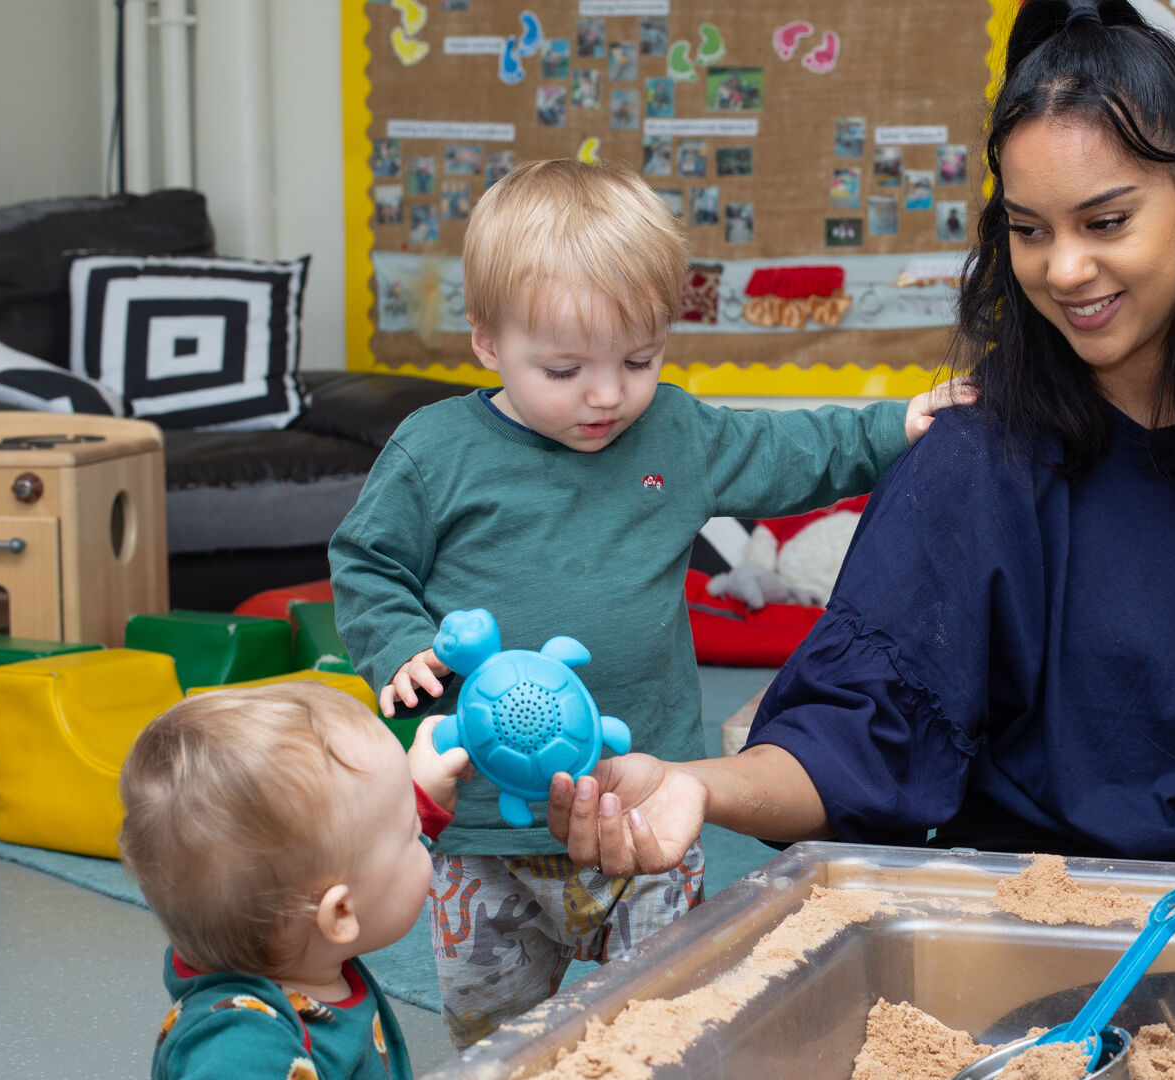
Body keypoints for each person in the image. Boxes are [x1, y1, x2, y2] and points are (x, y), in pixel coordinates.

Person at [543, 0, 1175, 881]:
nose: (1064, 270)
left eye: (1106, 222)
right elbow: (860, 734)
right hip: (1028, 906)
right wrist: (695, 786)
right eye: (1028, 231)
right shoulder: (975, 456)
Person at [328, 158, 966, 1047]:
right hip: (485, 830)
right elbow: (366, 559)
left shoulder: (671, 430)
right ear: (487, 343)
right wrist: (397, 643)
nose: (606, 394)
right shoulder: (434, 451)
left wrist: (894, 427)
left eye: (639, 358)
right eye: (563, 368)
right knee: (498, 1036)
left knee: (672, 1013)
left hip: (646, 803)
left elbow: (790, 451)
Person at [120, 684, 470, 1080]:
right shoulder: (242, 1051)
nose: (421, 835)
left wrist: (420, 798)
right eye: (411, 832)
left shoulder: (294, 948)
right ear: (339, 914)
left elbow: (366, 862)